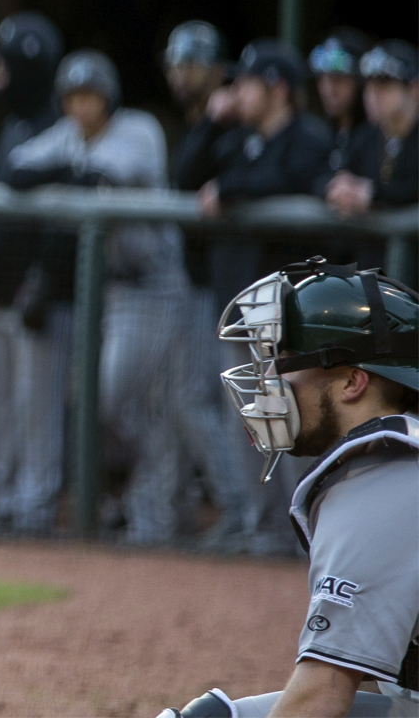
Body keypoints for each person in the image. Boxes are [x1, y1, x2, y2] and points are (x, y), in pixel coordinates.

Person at [157, 261, 418, 718]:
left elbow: (322, 696)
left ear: (353, 381)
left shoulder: (385, 475)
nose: (271, 381)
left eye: (287, 364)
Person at [7, 50, 190, 542]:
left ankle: (155, 510)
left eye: (90, 96)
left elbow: (97, 177)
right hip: (108, 290)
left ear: (108, 99)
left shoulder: (140, 129)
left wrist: (62, 170)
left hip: (154, 285)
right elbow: (15, 169)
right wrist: (62, 167)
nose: (81, 107)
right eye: (72, 97)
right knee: (105, 406)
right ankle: (135, 503)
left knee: (116, 401)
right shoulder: (68, 135)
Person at [162, 21, 262, 551]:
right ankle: (235, 507)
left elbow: (192, 177)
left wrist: (217, 120)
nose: (182, 75)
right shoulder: (205, 123)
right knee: (192, 398)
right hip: (202, 281)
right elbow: (185, 176)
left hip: (230, 287)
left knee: (220, 399)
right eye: (177, 65)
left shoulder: (233, 126)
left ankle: (244, 510)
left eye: (192, 65)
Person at [0, 12, 74, 535]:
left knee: (37, 409)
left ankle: (36, 504)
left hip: (40, 293)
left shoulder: (61, 128)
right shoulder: (12, 124)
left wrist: (46, 280)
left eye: (3, 64)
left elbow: (65, 222)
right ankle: (8, 495)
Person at [177, 39, 334, 309]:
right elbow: (185, 177)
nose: (237, 93)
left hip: (288, 304)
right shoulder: (238, 139)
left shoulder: (308, 137)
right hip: (234, 299)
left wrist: (227, 187)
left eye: (248, 83)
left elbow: (290, 178)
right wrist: (211, 123)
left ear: (278, 89)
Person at [325, 40, 419, 217]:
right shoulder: (365, 136)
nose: (373, 94)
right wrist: (339, 187)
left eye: (384, 83)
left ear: (414, 88)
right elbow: (324, 174)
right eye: (368, 83)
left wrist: (373, 194)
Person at [310, 29, 375, 174]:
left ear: (360, 82)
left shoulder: (376, 137)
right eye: (322, 78)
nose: (328, 90)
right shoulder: (320, 135)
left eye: (338, 79)